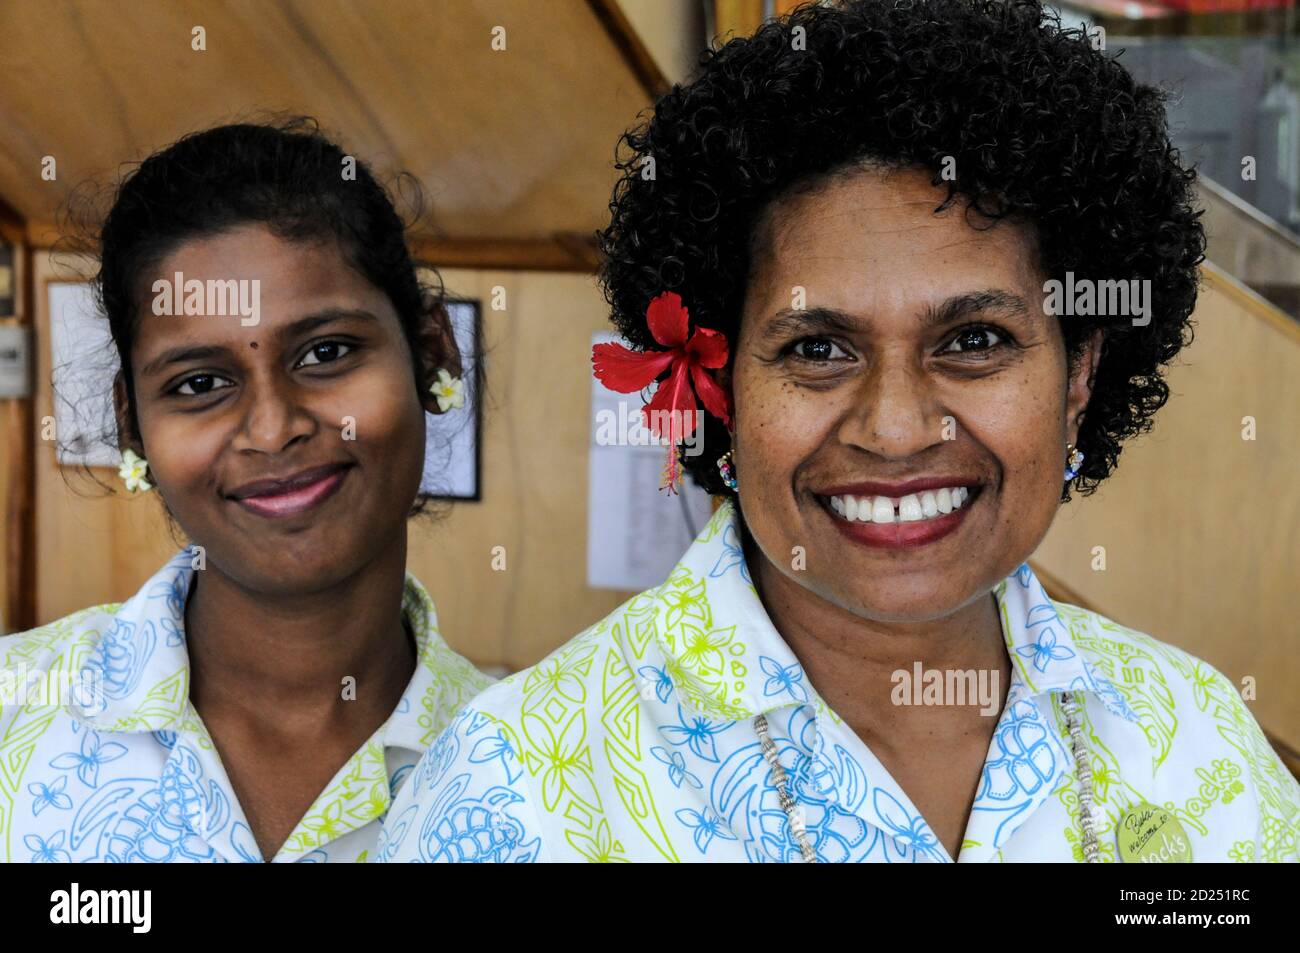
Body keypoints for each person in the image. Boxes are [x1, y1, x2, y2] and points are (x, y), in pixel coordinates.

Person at [377, 0, 1300, 862]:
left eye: (974, 340)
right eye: (817, 348)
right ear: (721, 383)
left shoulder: (1198, 739)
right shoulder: (513, 787)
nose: (896, 429)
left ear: (1079, 375)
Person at [0, 118, 491, 862]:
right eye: (200, 383)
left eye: (326, 352)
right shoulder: (14, 714)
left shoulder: (542, 761)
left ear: (430, 353)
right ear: (132, 424)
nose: (272, 427)